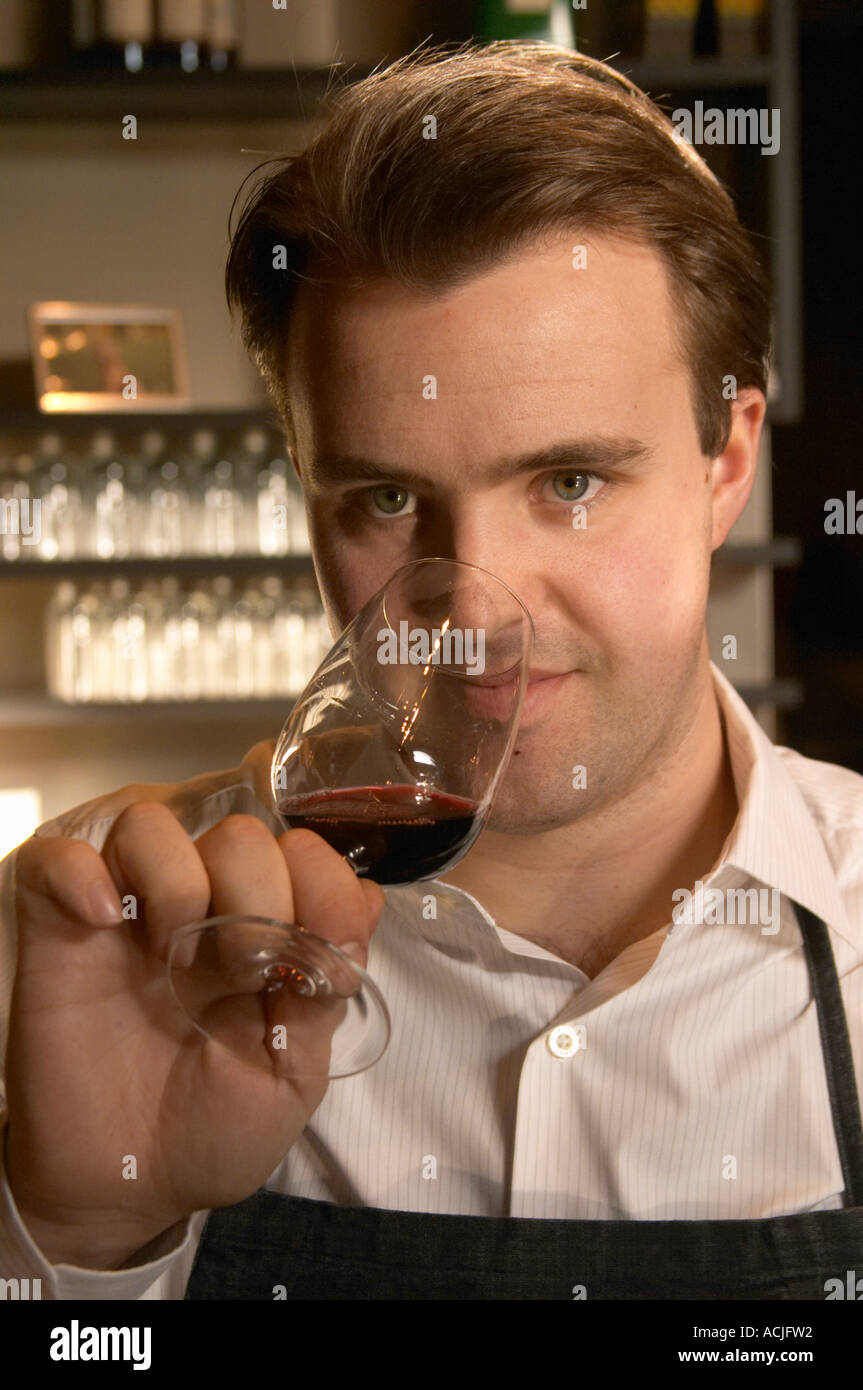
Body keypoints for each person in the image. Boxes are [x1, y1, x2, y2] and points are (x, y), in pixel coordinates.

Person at [1, 41, 862, 1302]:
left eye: (569, 482)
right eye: (388, 496)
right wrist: (77, 1242)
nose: (473, 608)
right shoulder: (100, 941)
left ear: (725, 460)